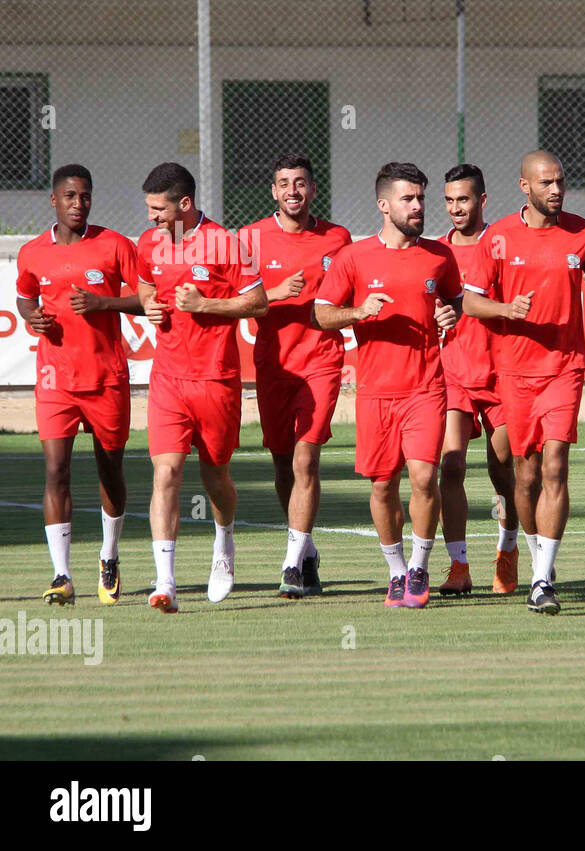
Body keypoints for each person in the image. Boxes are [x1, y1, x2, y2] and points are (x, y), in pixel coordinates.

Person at [461, 151, 585, 615]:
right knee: (523, 476)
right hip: (515, 371)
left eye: (561, 181)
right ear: (524, 186)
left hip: (565, 366)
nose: (556, 190)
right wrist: (507, 310)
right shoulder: (500, 237)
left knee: (555, 466)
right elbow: (471, 302)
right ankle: (533, 558)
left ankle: (543, 577)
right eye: (546, 182)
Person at [314, 162, 462, 609]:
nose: (418, 206)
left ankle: (419, 566)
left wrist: (449, 315)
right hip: (376, 392)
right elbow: (322, 313)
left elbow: (454, 301)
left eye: (420, 198)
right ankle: (395, 570)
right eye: (407, 198)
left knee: (423, 476)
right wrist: (358, 313)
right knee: (382, 486)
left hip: (426, 388)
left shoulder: (440, 255)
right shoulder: (354, 258)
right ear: (383, 205)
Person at [136, 163, 267, 613]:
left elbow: (258, 302)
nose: (152, 217)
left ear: (185, 204)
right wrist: (149, 305)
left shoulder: (228, 244)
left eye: (159, 208)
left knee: (215, 476)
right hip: (168, 379)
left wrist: (206, 303)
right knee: (166, 473)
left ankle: (224, 541)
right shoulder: (149, 242)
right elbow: (144, 286)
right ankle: (166, 581)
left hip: (216, 380)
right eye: (149, 208)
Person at [16, 164, 142, 606]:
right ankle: (61, 574)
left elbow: (148, 298)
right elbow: (24, 293)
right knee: (56, 471)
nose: (78, 204)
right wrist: (31, 315)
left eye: (85, 196)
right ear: (54, 200)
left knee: (110, 470)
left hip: (106, 376)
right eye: (70, 196)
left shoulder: (115, 245)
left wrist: (104, 302)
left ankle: (109, 556)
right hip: (55, 379)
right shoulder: (32, 252)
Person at [239, 154, 352, 598]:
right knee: (283, 463)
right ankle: (306, 551)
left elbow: (353, 290)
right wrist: (271, 296)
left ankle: (289, 565)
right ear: (273, 191)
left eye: (300, 182)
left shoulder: (337, 238)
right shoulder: (249, 239)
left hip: (321, 361)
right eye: (284, 183)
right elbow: (233, 300)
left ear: (313, 189)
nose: (292, 191)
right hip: (273, 365)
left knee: (307, 459)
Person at [435, 163, 520, 596]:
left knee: (503, 471)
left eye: (463, 199)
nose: (455, 208)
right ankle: (459, 566)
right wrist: (436, 316)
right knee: (450, 467)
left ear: (482, 200)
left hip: (501, 376)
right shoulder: (435, 252)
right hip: (453, 376)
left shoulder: (504, 245)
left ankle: (507, 551)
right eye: (449, 200)